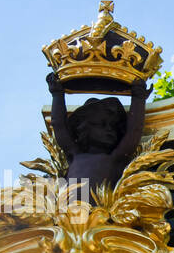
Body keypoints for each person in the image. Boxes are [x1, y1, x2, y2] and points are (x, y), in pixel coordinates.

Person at [46, 72, 150, 200]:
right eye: (101, 124)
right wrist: (57, 94)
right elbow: (59, 126)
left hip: (100, 215)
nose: (109, 130)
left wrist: (138, 97)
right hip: (67, 214)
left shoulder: (115, 158)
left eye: (113, 126)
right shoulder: (74, 153)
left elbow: (134, 131)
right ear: (84, 129)